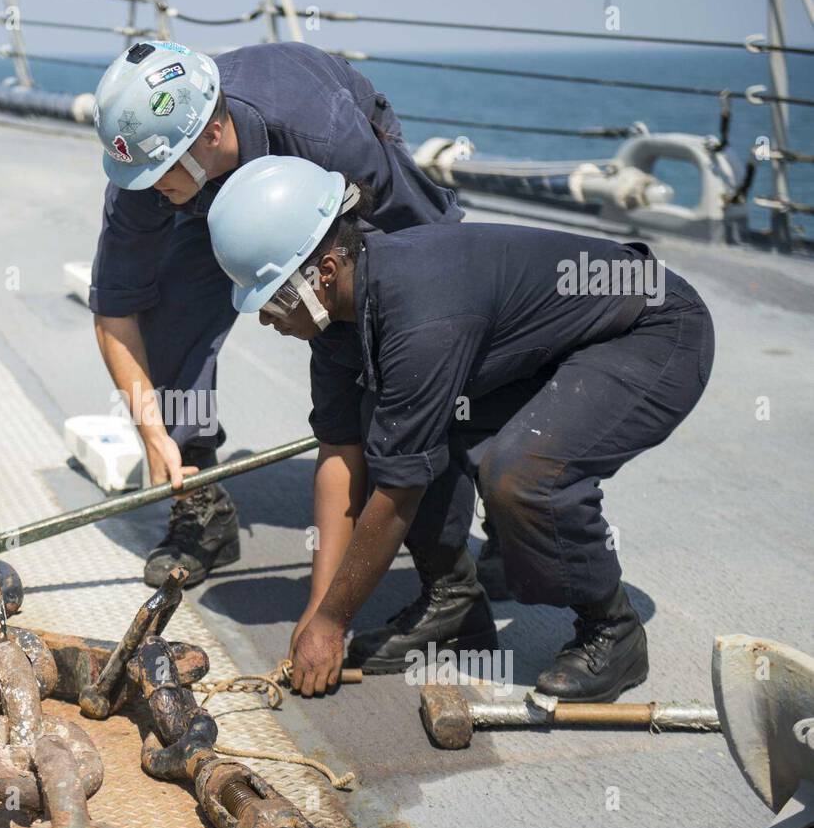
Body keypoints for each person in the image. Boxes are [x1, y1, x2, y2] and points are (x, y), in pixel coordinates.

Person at [206, 155, 714, 699]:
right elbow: (341, 452)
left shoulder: (421, 316)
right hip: (556, 344)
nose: (265, 318)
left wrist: (333, 622)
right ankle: (452, 604)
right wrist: (318, 609)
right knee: (384, 419)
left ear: (323, 273)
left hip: (652, 329)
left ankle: (612, 630)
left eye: (274, 297)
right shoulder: (338, 326)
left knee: (521, 472)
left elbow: (400, 488)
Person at [88, 39, 463, 590]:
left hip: (324, 177)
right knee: (165, 311)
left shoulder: (325, 134)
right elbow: (115, 310)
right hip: (207, 189)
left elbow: (430, 240)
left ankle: (451, 498)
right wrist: (151, 432)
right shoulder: (151, 171)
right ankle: (199, 500)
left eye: (159, 174)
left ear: (209, 134)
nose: (148, 190)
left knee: (376, 314)